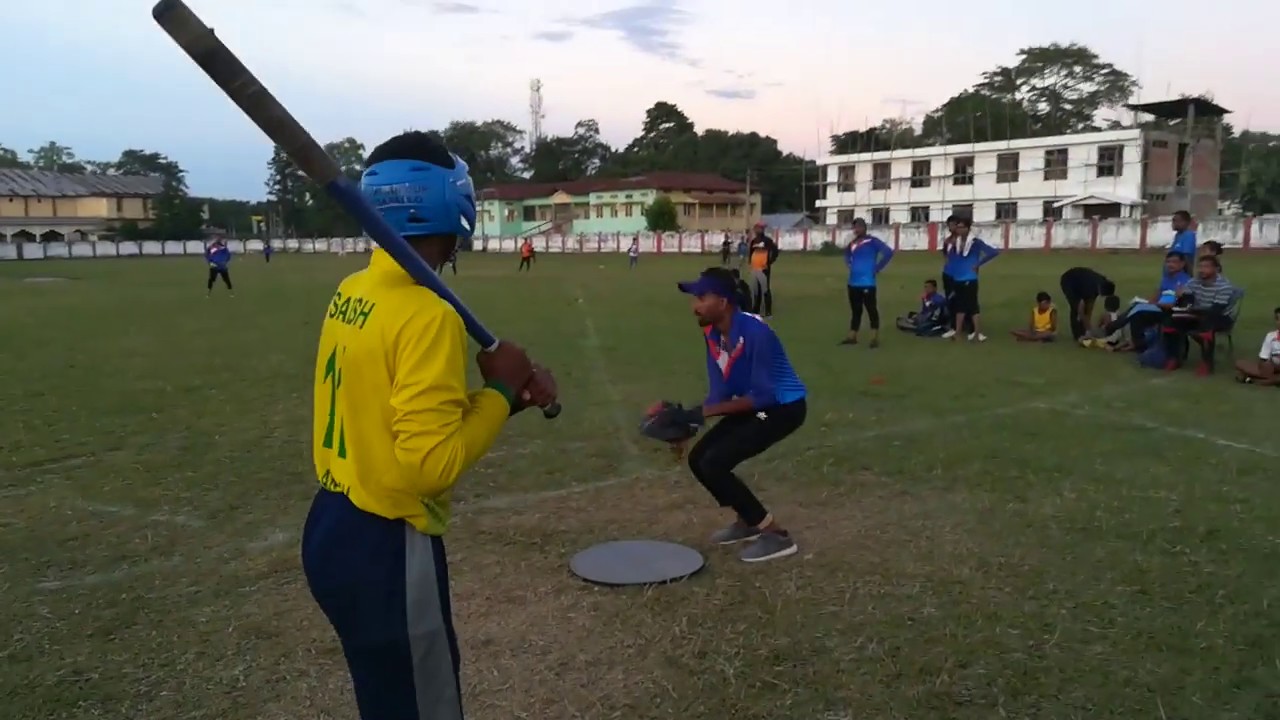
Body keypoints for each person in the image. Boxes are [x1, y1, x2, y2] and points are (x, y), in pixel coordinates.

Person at [300, 131, 557, 720]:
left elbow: (407, 421)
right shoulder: (427, 314)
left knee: (388, 703)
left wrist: (505, 399)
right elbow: (430, 467)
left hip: (333, 525)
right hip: (389, 546)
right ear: (449, 202)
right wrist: (497, 388)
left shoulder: (355, 289)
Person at [660, 266, 806, 563]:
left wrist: (705, 411)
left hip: (782, 409)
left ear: (723, 302)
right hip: (755, 406)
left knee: (716, 462)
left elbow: (764, 396)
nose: (695, 306)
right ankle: (747, 520)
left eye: (701, 297)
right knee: (699, 459)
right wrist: (690, 423)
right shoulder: (712, 334)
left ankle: (775, 535)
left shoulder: (755, 332)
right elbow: (720, 391)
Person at [1160, 254, 1237, 374]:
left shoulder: (1224, 286)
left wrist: (1192, 311)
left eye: (1206, 267)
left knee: (1207, 324)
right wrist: (1181, 298)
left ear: (1216, 269)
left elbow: (1216, 310)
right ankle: (1174, 357)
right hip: (1197, 314)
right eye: (1200, 267)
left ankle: (1207, 363)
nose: (1202, 270)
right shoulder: (1194, 281)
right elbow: (1188, 300)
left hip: (1221, 317)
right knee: (1171, 321)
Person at [941, 216, 999, 342]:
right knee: (959, 306)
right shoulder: (954, 242)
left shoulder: (975, 242)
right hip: (958, 278)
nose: (959, 229)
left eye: (962, 227)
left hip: (970, 278)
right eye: (958, 227)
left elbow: (993, 252)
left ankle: (977, 333)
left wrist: (978, 264)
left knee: (972, 307)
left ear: (968, 228)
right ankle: (958, 332)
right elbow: (951, 258)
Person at [840, 218, 894, 347]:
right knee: (856, 310)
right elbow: (847, 255)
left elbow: (888, 252)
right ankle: (852, 336)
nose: (857, 230)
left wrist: (878, 267)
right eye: (855, 227)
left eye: (859, 227)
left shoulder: (872, 242)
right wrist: (849, 263)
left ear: (864, 228)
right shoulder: (852, 243)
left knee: (871, 309)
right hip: (853, 282)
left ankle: (874, 337)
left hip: (868, 282)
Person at [1058, 266, 1116, 341]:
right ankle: (1077, 335)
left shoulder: (1102, 283)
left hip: (1082, 281)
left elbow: (1090, 306)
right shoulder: (1090, 287)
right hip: (1069, 281)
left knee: (1086, 309)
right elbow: (1081, 309)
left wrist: (1088, 326)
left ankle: (1084, 331)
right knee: (1075, 308)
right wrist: (1088, 328)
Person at [939, 215, 975, 336]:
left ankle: (971, 327)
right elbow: (946, 256)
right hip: (949, 274)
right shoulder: (947, 241)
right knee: (951, 299)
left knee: (967, 300)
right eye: (950, 225)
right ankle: (954, 326)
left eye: (954, 225)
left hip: (962, 275)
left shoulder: (966, 242)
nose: (952, 227)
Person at [1236, 307, 1280, 385]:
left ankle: (1252, 380)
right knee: (1240, 363)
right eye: (1277, 319)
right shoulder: (1270, 336)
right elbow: (1263, 358)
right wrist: (1266, 365)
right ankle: (1273, 379)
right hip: (1272, 368)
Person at [746, 222, 779, 317]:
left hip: (763, 269)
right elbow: (751, 253)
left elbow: (775, 251)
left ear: (762, 229)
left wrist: (769, 262)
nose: (757, 230)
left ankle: (768, 312)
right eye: (756, 228)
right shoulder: (753, 241)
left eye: (759, 228)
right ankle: (756, 311)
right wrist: (750, 262)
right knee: (755, 290)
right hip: (754, 269)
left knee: (765, 290)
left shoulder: (768, 241)